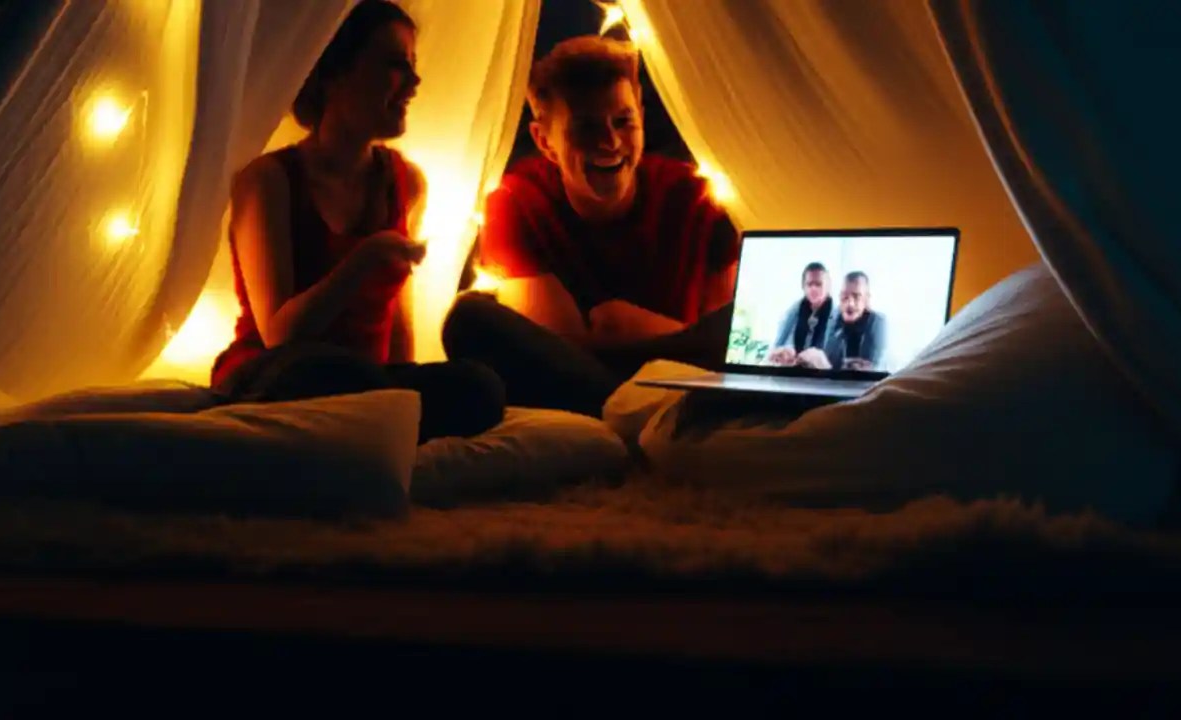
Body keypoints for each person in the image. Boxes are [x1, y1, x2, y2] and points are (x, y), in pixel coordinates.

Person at [209, 0, 504, 443]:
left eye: (413, 66)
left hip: (366, 382)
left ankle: (378, 415)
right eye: (394, 65)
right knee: (318, 371)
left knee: (479, 385)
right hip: (279, 371)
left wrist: (406, 389)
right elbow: (280, 334)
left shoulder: (405, 182)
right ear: (335, 74)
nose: (414, 82)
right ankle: (369, 412)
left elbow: (398, 319)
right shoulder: (269, 181)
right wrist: (367, 256)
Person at [441, 36, 741, 417]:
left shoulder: (696, 194)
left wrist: (626, 330)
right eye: (585, 128)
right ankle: (636, 411)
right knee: (470, 319)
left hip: (681, 386)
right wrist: (671, 336)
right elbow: (559, 347)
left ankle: (640, 410)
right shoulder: (516, 200)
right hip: (585, 389)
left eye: (623, 121)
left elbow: (717, 347)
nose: (610, 142)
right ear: (544, 140)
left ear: (642, 120)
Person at [808, 271, 887, 371]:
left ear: (867, 300)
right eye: (844, 297)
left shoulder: (877, 322)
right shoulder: (834, 319)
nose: (850, 304)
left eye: (856, 297)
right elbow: (828, 357)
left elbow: (873, 367)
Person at [766, 262, 838, 367]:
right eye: (809, 284)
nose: (813, 289)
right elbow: (776, 347)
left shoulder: (838, 316)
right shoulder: (794, 311)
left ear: (828, 286)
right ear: (803, 287)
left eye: (818, 284)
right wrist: (785, 352)